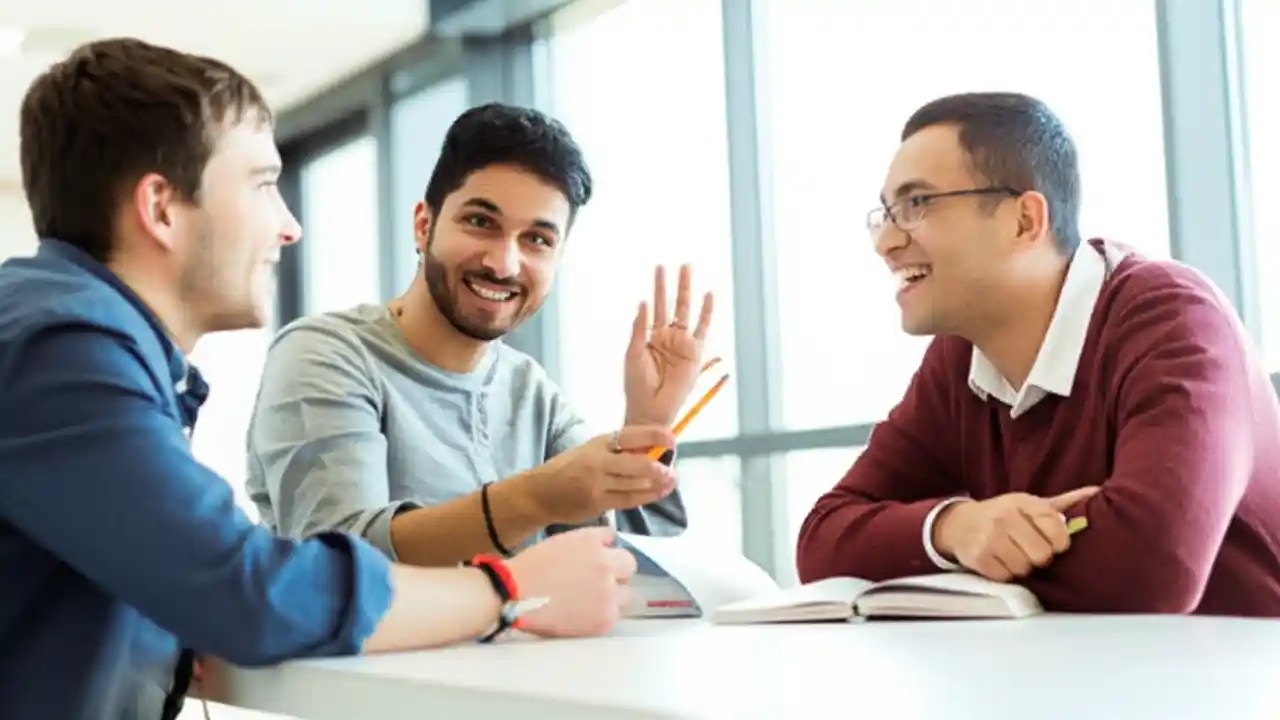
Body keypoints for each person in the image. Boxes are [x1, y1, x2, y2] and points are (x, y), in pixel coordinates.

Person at [0, 38, 639, 720]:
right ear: (160, 208)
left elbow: (188, 578)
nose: (289, 226)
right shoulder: (61, 349)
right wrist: (507, 590)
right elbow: (247, 588)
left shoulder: (76, 341)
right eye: (262, 185)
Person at [795, 92, 1280, 616]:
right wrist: (956, 528)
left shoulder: (1173, 318)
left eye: (917, 205)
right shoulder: (959, 357)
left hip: (1240, 687)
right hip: (1087, 683)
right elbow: (823, 540)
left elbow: (1153, 568)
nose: (885, 242)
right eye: (886, 213)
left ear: (1025, 220)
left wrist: (953, 555)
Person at [244, 103, 715, 567]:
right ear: (423, 225)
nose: (503, 264)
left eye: (537, 240)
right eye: (481, 222)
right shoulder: (325, 354)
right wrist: (534, 499)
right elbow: (339, 562)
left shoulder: (532, 393)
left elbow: (628, 567)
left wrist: (647, 430)